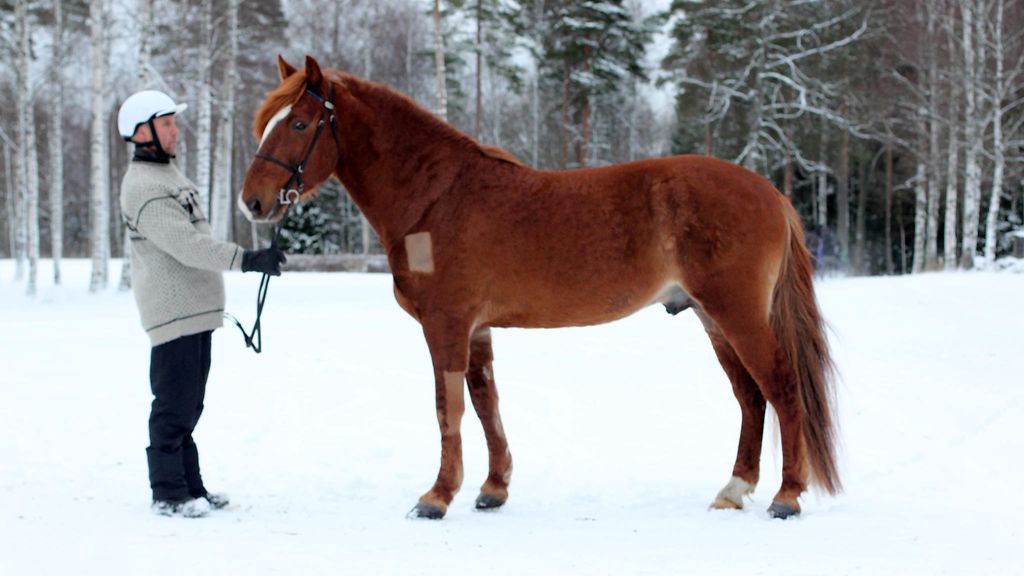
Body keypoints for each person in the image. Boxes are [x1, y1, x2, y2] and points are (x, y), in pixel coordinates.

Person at [117, 90, 286, 518]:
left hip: (195, 310)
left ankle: (190, 487)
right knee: (173, 404)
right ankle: (168, 493)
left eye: (174, 122)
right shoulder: (143, 187)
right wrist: (246, 260)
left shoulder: (169, 176)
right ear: (142, 132)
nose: (176, 130)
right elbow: (187, 246)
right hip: (172, 312)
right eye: (167, 123)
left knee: (190, 404)